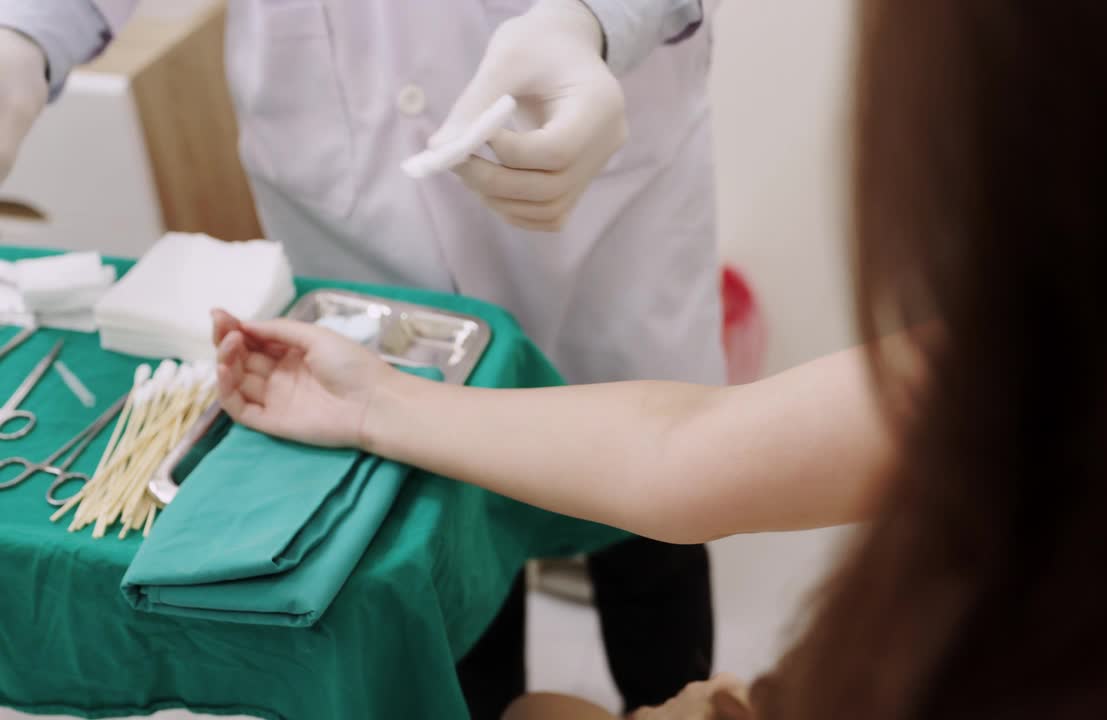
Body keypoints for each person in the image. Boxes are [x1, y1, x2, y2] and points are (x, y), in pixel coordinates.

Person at [211, 0, 1107, 716]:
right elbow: (684, 454)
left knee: (612, 621)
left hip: (605, 262)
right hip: (383, 280)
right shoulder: (1042, 373)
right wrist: (378, 401)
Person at [0, 0, 722, 716]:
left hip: (600, 235)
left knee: (649, 539)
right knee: (454, 572)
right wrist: (20, 41)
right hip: (360, 245)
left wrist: (588, 20)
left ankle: (661, 687)